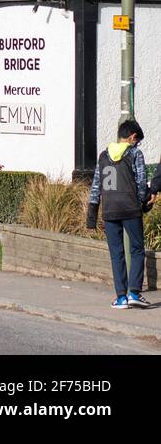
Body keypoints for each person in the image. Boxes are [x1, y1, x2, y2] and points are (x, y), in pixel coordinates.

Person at [87, 119, 153, 309]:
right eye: (137, 140)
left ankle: (121, 297)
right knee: (137, 249)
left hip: (109, 209)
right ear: (132, 137)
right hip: (130, 208)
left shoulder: (103, 155)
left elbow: (96, 186)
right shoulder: (135, 153)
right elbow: (141, 182)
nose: (137, 144)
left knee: (116, 254)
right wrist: (144, 201)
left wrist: (92, 215)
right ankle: (134, 293)